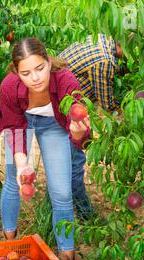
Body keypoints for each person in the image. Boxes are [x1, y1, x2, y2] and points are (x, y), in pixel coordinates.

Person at [0, 37, 91, 260]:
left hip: (54, 124)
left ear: (48, 61)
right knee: (14, 181)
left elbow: (78, 127)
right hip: (21, 122)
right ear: (16, 72)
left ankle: (67, 256)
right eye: (26, 73)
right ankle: (9, 242)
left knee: (62, 192)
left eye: (40, 68)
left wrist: (78, 133)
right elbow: (14, 127)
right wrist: (23, 163)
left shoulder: (65, 80)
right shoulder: (9, 86)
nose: (35, 78)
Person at [57, 33, 127, 220]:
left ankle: (68, 206)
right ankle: (84, 214)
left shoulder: (100, 37)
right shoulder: (105, 62)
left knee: (67, 163)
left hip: (59, 101)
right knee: (75, 164)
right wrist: (125, 115)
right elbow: (107, 104)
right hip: (68, 113)